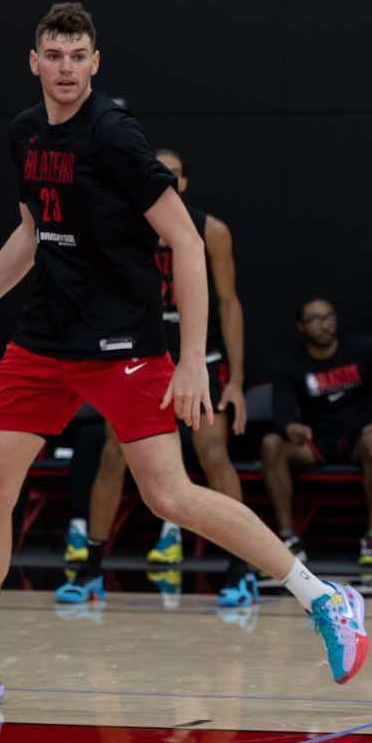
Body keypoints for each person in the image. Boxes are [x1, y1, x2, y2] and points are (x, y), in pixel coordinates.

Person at [0, 2, 367, 711]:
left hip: (121, 341)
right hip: (43, 337)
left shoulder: (115, 136)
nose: (64, 68)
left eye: (76, 56)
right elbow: (33, 231)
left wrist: (191, 361)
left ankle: (323, 597)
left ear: (95, 62)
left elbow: (185, 240)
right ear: (34, 62)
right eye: (52, 56)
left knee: (168, 496)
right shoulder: (25, 133)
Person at [55, 147, 249, 604]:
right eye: (157, 174)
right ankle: (92, 570)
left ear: (184, 183)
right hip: (140, 355)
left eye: (173, 175)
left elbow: (229, 304)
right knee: (112, 453)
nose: (165, 181)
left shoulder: (210, 230)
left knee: (212, 450)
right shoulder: (122, 228)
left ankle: (239, 569)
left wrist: (237, 379)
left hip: (199, 355)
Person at [239, 297, 372, 602]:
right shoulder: (289, 363)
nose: (325, 324)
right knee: (271, 444)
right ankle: (289, 539)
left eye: (330, 316)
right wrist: (291, 427)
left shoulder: (364, 350)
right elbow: (281, 411)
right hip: (319, 440)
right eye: (316, 319)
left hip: (361, 437)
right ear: (301, 327)